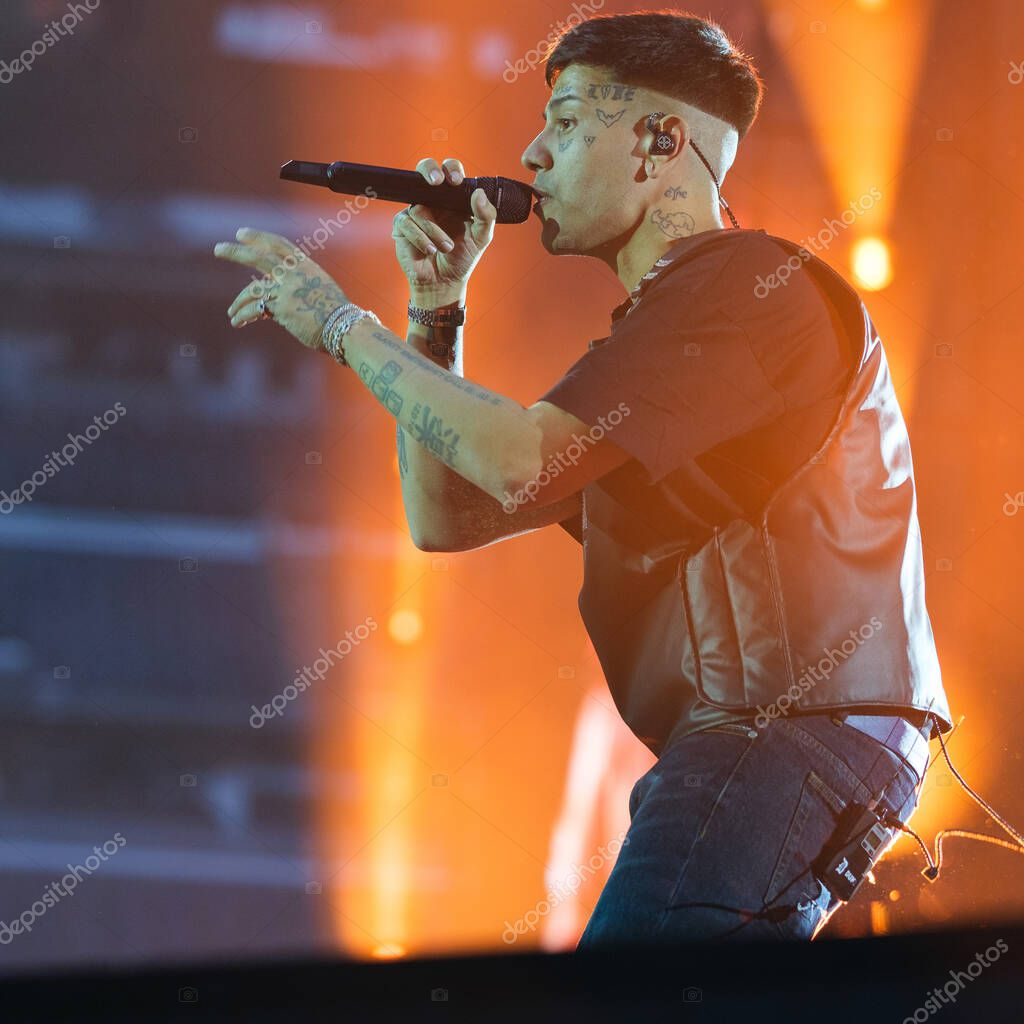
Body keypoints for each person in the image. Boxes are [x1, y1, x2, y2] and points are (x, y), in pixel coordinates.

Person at [214, 10, 953, 946]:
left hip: (779, 737)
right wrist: (435, 311)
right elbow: (451, 517)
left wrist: (338, 323)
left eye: (565, 120)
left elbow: (519, 460)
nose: (530, 152)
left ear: (660, 139)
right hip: (791, 747)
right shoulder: (675, 340)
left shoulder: (742, 290)